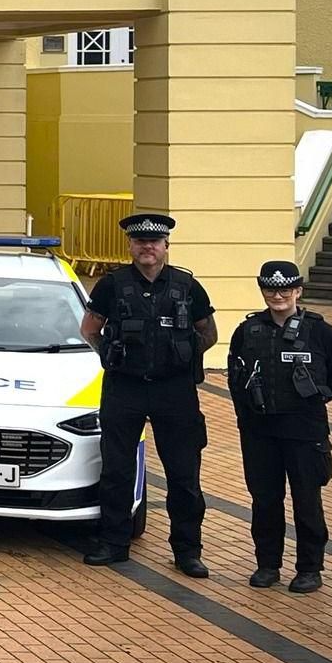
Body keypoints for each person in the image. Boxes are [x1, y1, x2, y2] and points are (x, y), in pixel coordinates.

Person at [79, 212, 217, 576]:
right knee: (117, 470)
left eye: (154, 242)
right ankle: (114, 542)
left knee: (184, 474)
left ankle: (187, 550)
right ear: (131, 246)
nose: (147, 247)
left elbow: (209, 333)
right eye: (140, 242)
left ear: (165, 246)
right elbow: (89, 329)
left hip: (175, 391)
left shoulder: (187, 287)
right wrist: (111, 357)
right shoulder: (113, 285)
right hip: (125, 387)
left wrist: (181, 357)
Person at [225, 261, 332, 593]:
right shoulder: (248, 331)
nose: (277, 295)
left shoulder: (320, 332)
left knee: (307, 500)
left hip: (304, 431)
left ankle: (310, 567)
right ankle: (267, 565)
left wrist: (311, 403)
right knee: (264, 500)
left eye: (285, 289)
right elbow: (235, 378)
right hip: (260, 431)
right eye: (270, 289)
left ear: (298, 291)